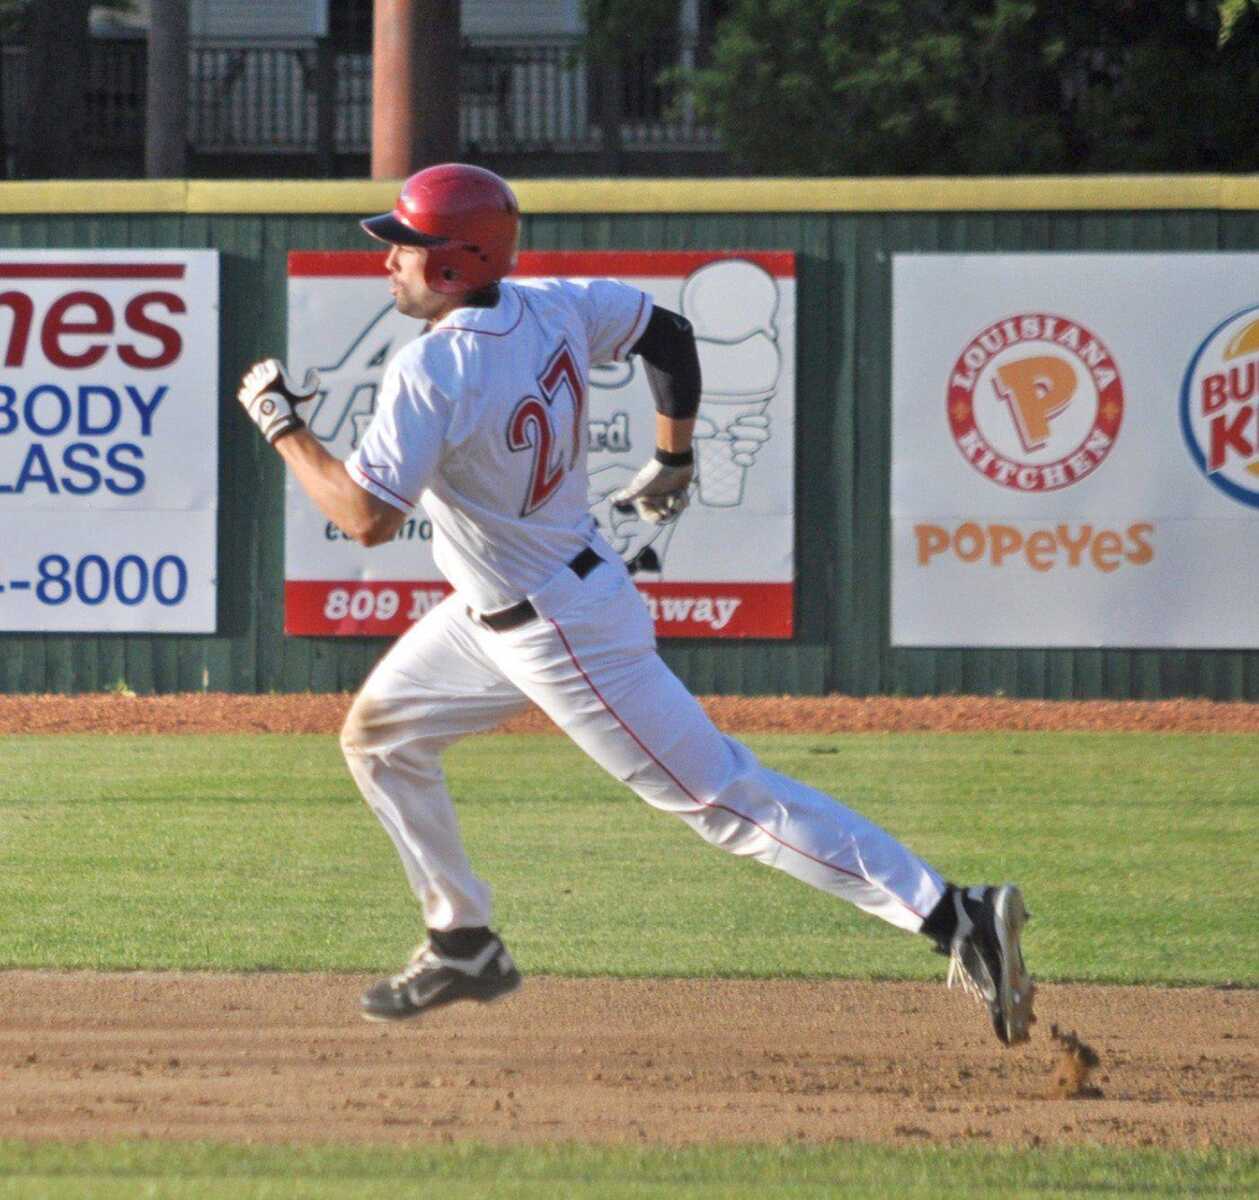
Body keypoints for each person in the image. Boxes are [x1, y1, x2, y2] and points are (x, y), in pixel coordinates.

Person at [236, 163, 1035, 1046]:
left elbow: (363, 517)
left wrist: (281, 425)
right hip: (497, 609)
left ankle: (951, 913)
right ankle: (460, 936)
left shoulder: (435, 366)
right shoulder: (552, 305)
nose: (388, 259)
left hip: (557, 628)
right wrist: (675, 454)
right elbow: (669, 331)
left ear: (456, 264)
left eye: (406, 245)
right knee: (379, 738)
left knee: (722, 799)